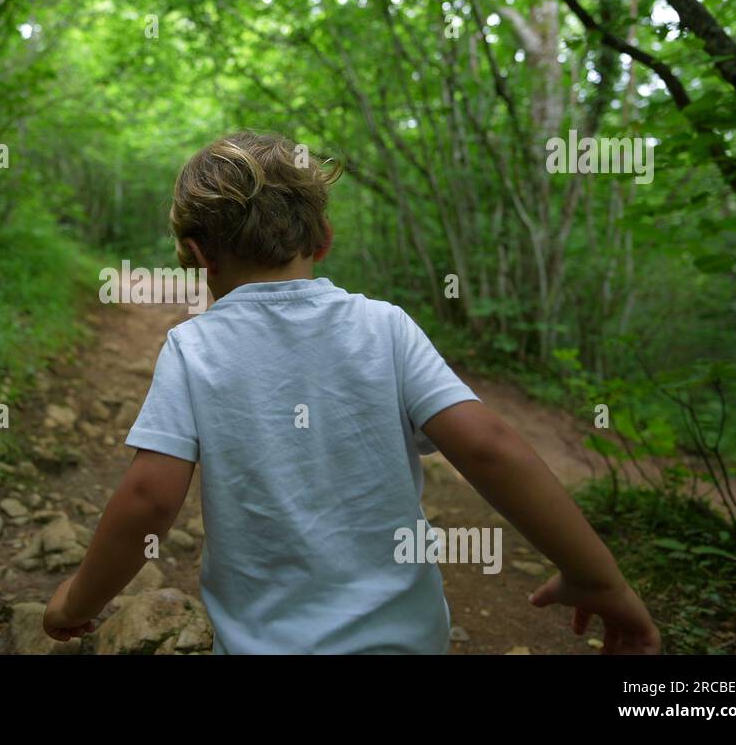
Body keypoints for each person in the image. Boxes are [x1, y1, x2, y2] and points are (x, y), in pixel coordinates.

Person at [44, 131, 661, 654]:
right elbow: (490, 448)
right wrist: (596, 576)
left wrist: (78, 598)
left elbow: (150, 498)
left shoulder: (193, 347)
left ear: (198, 255)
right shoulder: (385, 326)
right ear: (323, 239)